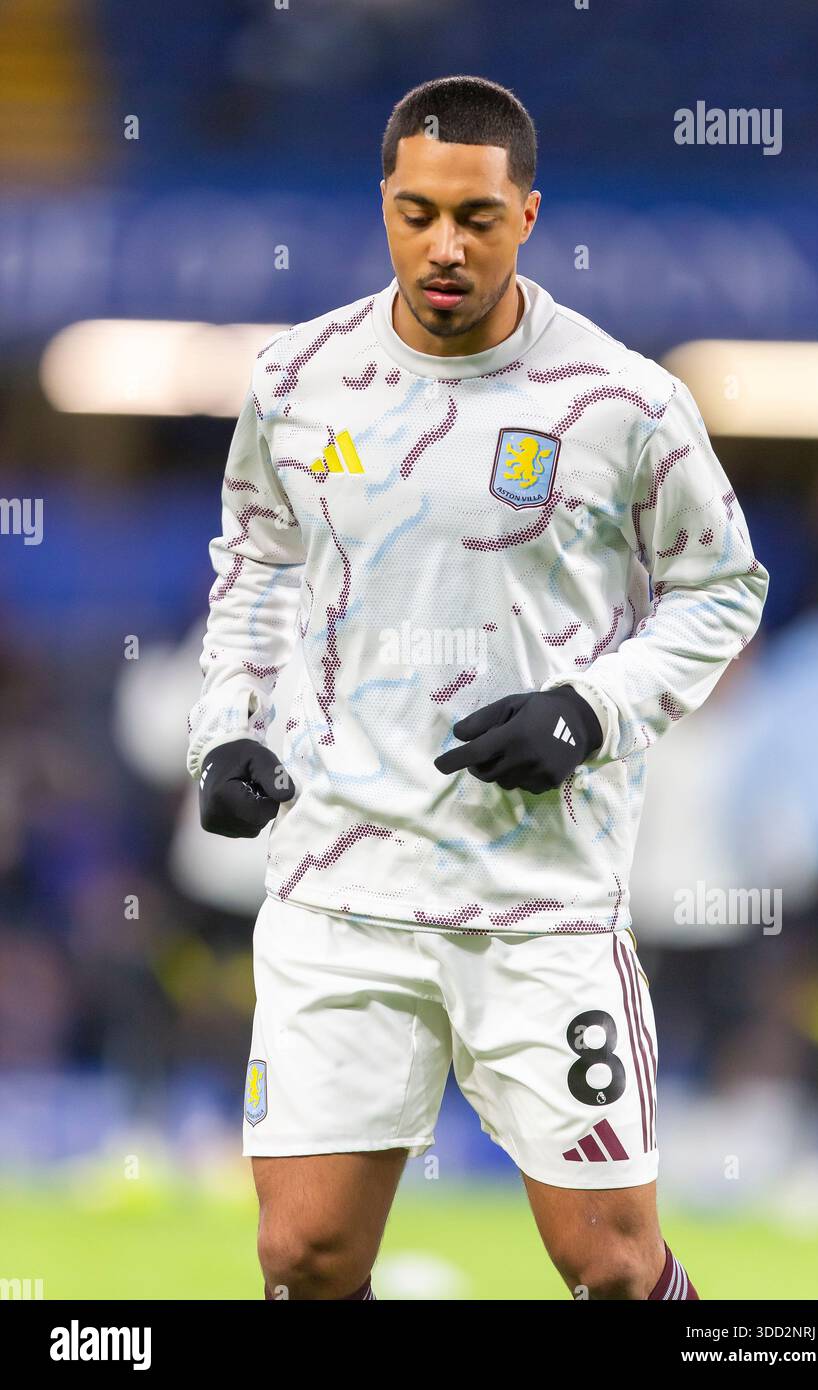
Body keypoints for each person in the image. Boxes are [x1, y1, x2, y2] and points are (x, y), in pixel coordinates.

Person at [186, 75, 769, 1301]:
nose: (442, 246)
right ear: (384, 207)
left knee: (608, 1265)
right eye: (415, 213)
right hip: (342, 884)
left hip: (539, 896)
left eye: (476, 218)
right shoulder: (297, 380)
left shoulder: (621, 401)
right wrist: (226, 732)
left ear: (528, 214)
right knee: (303, 1256)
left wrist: (589, 711)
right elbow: (254, 562)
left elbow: (721, 588)